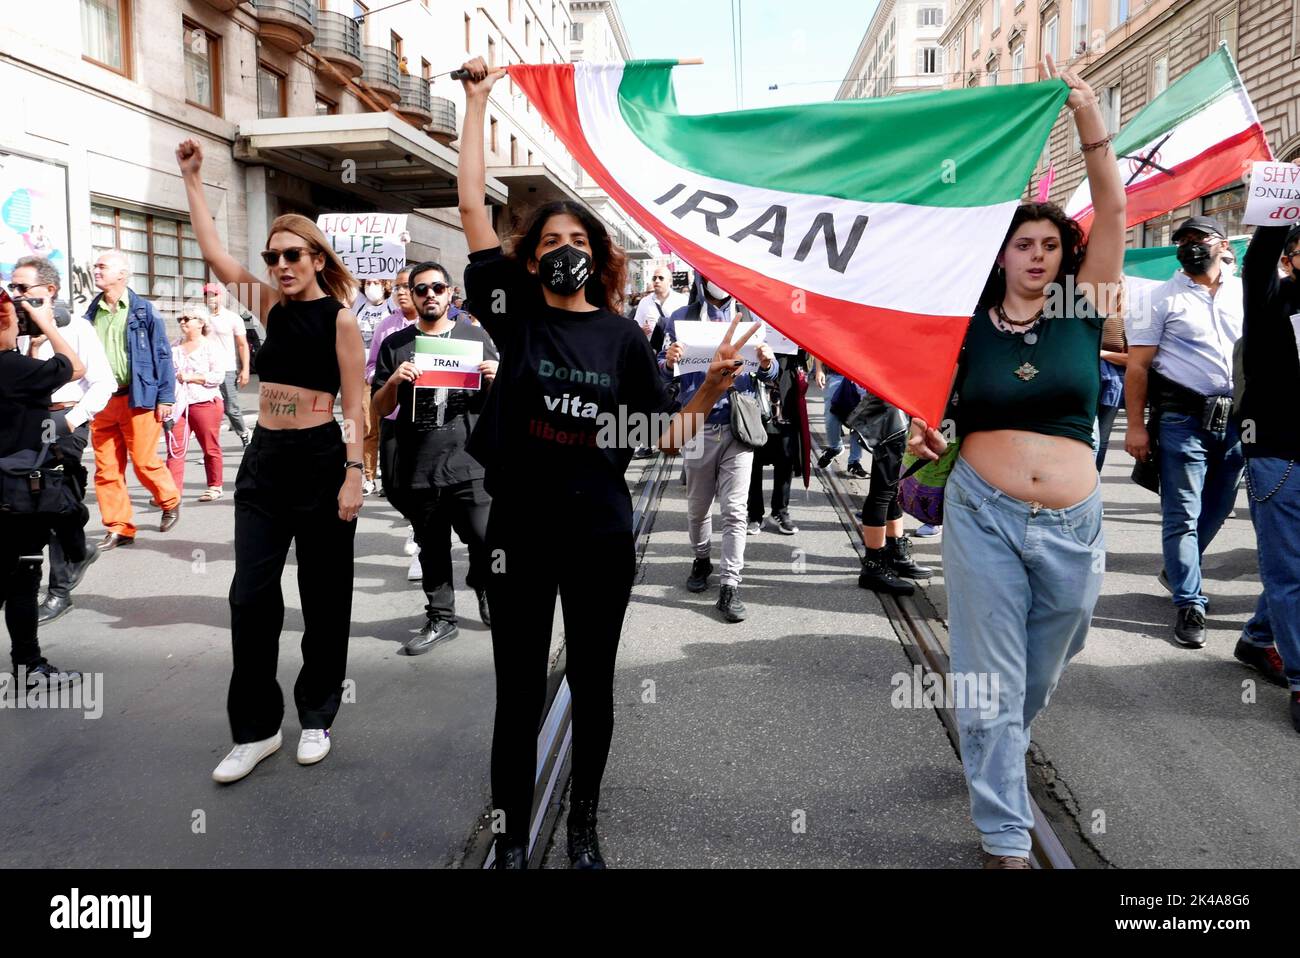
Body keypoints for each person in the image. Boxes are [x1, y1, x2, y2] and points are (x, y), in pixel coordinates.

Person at [456, 57, 751, 869]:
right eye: (548, 241)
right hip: (518, 527)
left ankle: (582, 824)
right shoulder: (512, 314)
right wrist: (476, 102)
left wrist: (706, 393)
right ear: (528, 256)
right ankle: (514, 837)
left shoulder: (621, 337)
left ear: (597, 253)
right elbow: (472, 209)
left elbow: (660, 436)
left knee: (593, 684)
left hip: (596, 532)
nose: (562, 250)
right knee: (517, 693)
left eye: (576, 240)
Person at [908, 57, 1125, 868]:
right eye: (1022, 245)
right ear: (1000, 256)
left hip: (1075, 523)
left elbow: (1113, 203)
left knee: (1051, 654)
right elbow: (926, 400)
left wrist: (1087, 117)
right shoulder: (962, 326)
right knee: (991, 680)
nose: (1038, 256)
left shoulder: (1083, 306)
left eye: (1049, 245)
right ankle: (1004, 835)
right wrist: (927, 433)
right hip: (982, 514)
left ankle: (998, 740)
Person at [177, 137, 366, 783]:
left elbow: (357, 403)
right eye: (272, 257)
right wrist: (194, 180)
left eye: (292, 255)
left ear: (316, 258)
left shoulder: (341, 320)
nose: (280, 265)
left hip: (319, 460)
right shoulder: (267, 306)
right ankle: (255, 730)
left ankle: (315, 716)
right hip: (265, 461)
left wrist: (353, 472)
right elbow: (212, 253)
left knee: (325, 597)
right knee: (249, 596)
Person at [1124, 215, 1245, 648]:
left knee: (1220, 505)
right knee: (1183, 512)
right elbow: (1137, 367)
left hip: (1235, 420)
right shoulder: (1158, 298)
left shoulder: (1246, 291)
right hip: (1181, 418)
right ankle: (1190, 601)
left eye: (1199, 239)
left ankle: (1177, 568)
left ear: (1222, 244)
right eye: (1183, 240)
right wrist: (1135, 426)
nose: (1190, 246)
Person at [373, 261, 499, 654]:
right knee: (432, 546)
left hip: (470, 461)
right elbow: (379, 407)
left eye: (437, 288)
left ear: (450, 294)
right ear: (410, 294)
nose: (430, 295)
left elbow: (506, 403)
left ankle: (482, 582)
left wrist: (500, 376)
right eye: (421, 289)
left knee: (484, 537)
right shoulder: (397, 344)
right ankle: (441, 617)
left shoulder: (476, 337)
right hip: (419, 462)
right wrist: (394, 380)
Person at [661, 278, 778, 623]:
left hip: (738, 425)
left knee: (735, 510)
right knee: (698, 509)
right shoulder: (680, 318)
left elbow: (770, 375)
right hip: (697, 427)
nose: (718, 282)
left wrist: (769, 363)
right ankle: (701, 558)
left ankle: (731, 584)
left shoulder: (750, 317)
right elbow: (663, 373)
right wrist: (668, 362)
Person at [10, 256, 113, 626]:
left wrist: (70, 421)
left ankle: (58, 592)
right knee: (36, 503)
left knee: (53, 499)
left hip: (63, 418)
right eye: (13, 287)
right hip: (25, 421)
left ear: (49, 291)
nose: (16, 294)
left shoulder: (78, 331)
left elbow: (103, 383)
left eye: (23, 288)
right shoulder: (15, 328)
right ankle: (76, 547)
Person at [0, 285, 87, 689]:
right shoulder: (11, 370)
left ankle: (29, 664)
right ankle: (29, 666)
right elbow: (74, 366)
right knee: (21, 578)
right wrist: (47, 323)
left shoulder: (16, 368)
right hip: (15, 496)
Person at [1235, 223, 1300, 732]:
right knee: (1290, 571)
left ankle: (1258, 636)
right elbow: (1258, 260)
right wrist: (1280, 202)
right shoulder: (1269, 298)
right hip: (1279, 454)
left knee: (1290, 565)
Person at [85, 250, 182, 549]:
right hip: (102, 400)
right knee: (106, 468)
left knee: (142, 460)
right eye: (96, 266)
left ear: (122, 274)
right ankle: (119, 527)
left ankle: (169, 500)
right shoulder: (90, 313)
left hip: (138, 398)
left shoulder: (144, 311)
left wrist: (165, 397)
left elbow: (163, 356)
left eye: (103, 266)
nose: (96, 270)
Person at [368, 267, 421, 569]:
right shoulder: (386, 327)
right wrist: (389, 377)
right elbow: (370, 366)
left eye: (407, 286)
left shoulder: (446, 325)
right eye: (397, 287)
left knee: (423, 483)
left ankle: (423, 535)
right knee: (392, 483)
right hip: (394, 415)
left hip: (430, 420)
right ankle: (416, 518)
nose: (401, 292)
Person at [856, 401, 932, 596]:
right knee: (883, 490)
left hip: (901, 411)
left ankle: (895, 553)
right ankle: (873, 566)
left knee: (892, 488)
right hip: (892, 413)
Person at [165, 307, 226, 502]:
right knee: (175, 448)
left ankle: (215, 485)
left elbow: (218, 376)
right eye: (180, 319)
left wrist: (192, 377)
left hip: (204, 402)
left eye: (187, 319)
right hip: (178, 405)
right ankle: (172, 493)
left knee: (209, 446)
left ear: (201, 323)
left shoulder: (211, 347)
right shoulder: (174, 346)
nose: (182, 322)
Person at [747, 347, 804, 536]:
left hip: (783, 404)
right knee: (752, 463)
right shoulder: (749, 318)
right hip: (753, 405)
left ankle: (780, 511)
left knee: (785, 460)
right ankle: (754, 514)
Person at [352, 280, 392, 496]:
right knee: (368, 428)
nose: (371, 286)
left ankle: (387, 475)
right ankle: (369, 477)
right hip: (362, 374)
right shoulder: (358, 304)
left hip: (386, 374)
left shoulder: (391, 305)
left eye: (376, 282)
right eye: (368, 282)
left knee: (387, 427)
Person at [203, 283, 251, 448]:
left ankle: (244, 432)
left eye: (214, 295)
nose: (210, 299)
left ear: (220, 297)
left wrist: (245, 370)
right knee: (209, 411)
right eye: (207, 296)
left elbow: (242, 345)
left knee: (231, 409)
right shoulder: (201, 318)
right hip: (206, 371)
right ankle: (211, 449)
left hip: (227, 369)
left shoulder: (232, 318)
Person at [814, 358, 867, 479]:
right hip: (835, 374)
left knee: (858, 420)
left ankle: (854, 462)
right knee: (831, 418)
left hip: (861, 375)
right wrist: (819, 369)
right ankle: (835, 447)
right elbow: (819, 344)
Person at [633, 266, 686, 348]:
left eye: (661, 278)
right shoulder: (644, 301)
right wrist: (642, 330)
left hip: (675, 351)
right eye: (654, 278)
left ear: (670, 281)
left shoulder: (682, 300)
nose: (657, 281)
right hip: (652, 351)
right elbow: (636, 326)